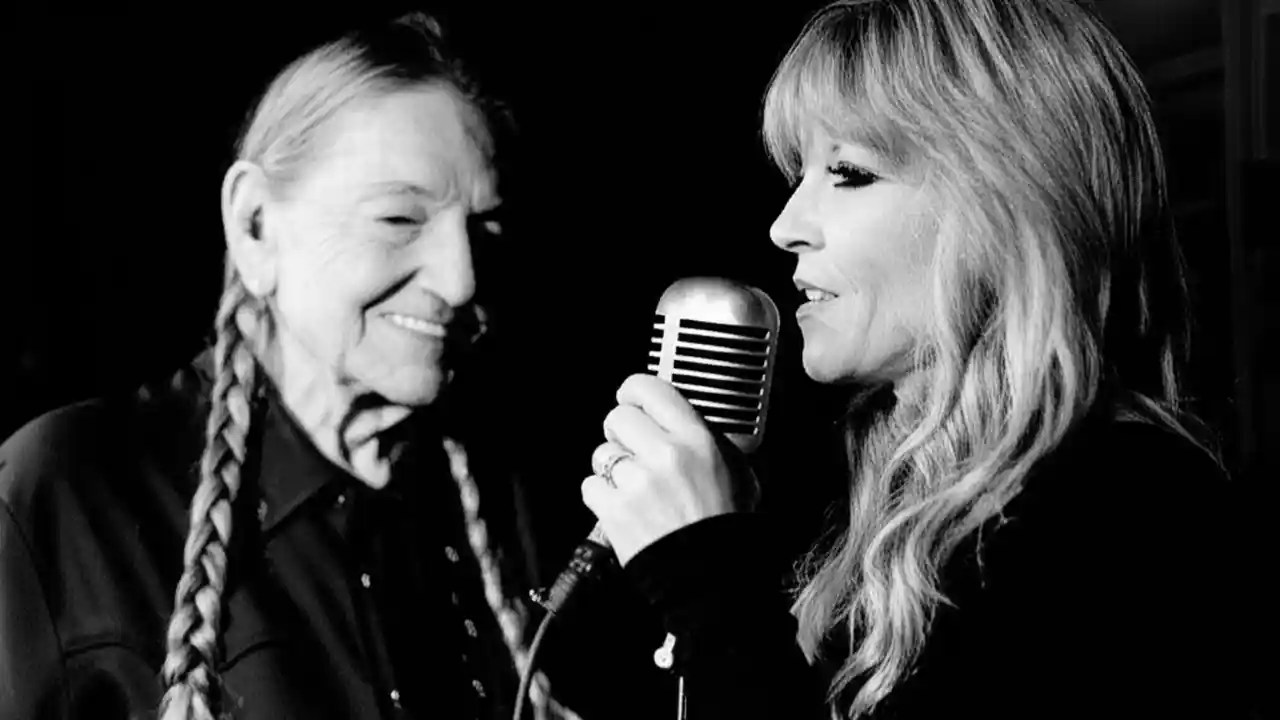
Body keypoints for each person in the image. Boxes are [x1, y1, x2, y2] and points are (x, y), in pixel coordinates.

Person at [579, 1, 1250, 718]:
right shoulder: (866, 504)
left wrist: (707, 586)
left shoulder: (1131, 510)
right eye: (797, 173)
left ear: (1005, 206)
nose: (785, 227)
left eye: (848, 173)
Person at [0, 12, 582, 720]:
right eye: (399, 219)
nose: (461, 280)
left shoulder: (508, 488)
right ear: (254, 225)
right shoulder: (68, 492)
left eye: (484, 228)